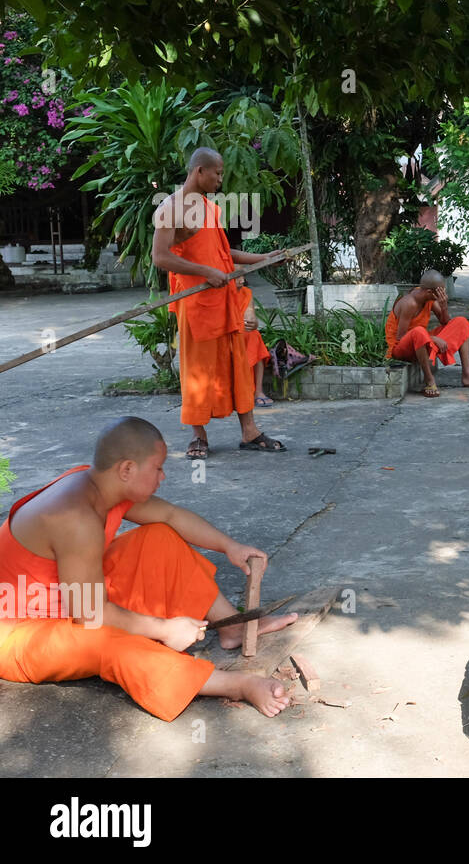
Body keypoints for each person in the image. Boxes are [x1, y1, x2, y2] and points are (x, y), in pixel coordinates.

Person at [0, 418, 299, 720]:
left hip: (71, 599)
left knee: (159, 538)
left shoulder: (97, 484)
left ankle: (232, 625)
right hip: (17, 632)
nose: (163, 476)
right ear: (127, 469)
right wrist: (164, 628)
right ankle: (235, 684)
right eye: (157, 468)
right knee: (105, 641)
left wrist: (229, 546)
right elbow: (90, 615)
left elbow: (169, 514)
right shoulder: (76, 517)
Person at [151, 148, 286, 458]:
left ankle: (250, 432)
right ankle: (199, 436)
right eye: (218, 173)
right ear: (200, 171)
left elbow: (226, 255)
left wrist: (265, 259)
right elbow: (160, 257)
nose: (220, 179)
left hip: (226, 300)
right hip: (197, 302)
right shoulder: (171, 208)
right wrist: (204, 272)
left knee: (237, 362)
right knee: (198, 370)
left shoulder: (211, 209)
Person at [386, 270, 469, 397]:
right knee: (419, 332)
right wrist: (433, 338)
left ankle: (468, 374)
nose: (444, 293)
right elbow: (401, 337)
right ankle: (429, 380)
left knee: (461, 322)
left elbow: (445, 322)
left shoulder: (428, 297)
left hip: (421, 341)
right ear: (430, 292)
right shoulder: (410, 303)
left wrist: (444, 306)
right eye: (441, 290)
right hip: (400, 349)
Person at [237, 281, 274, 408]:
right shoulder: (220, 292)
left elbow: (250, 315)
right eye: (236, 276)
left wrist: (253, 322)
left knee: (254, 336)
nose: (241, 280)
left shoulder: (246, 292)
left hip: (243, 331)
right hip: (226, 332)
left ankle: (258, 391)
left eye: (242, 275)